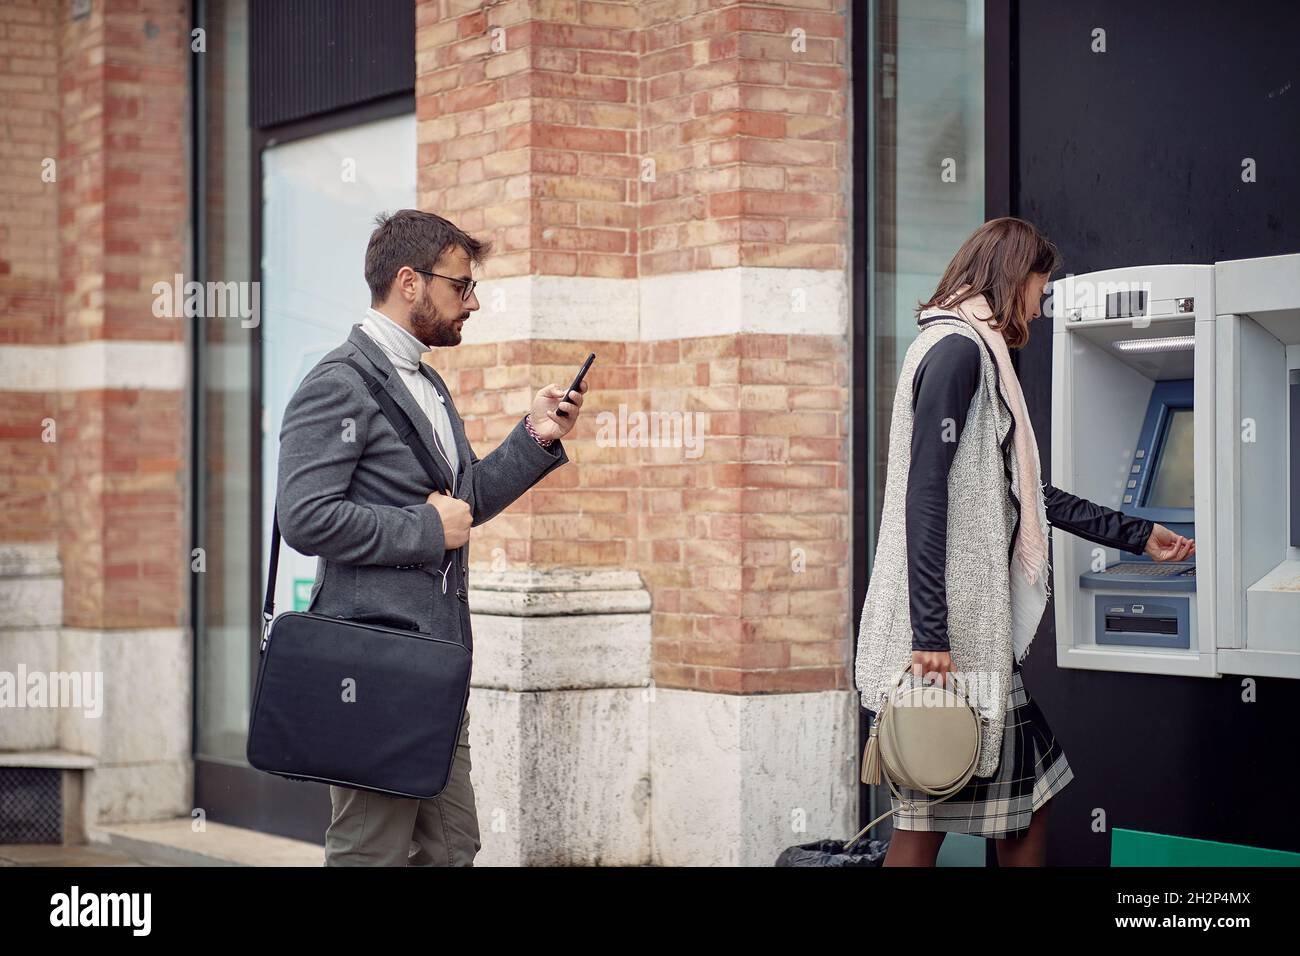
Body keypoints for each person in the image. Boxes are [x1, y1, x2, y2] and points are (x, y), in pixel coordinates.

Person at [853, 217, 1194, 867]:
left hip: (967, 641)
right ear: (1015, 276)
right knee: (938, 816)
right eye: (1042, 281)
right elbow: (925, 496)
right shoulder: (958, 354)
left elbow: (1020, 495)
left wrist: (1136, 533)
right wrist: (930, 637)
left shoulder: (966, 350)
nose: (1043, 298)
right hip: (951, 646)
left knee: (1003, 809)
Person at [276, 209, 586, 865]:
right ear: (409, 281)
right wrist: (424, 527)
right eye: (461, 285)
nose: (472, 303)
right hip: (373, 668)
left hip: (435, 667)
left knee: (451, 846)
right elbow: (304, 517)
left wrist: (535, 438)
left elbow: (462, 503)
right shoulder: (338, 384)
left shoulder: (425, 382)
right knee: (372, 851)